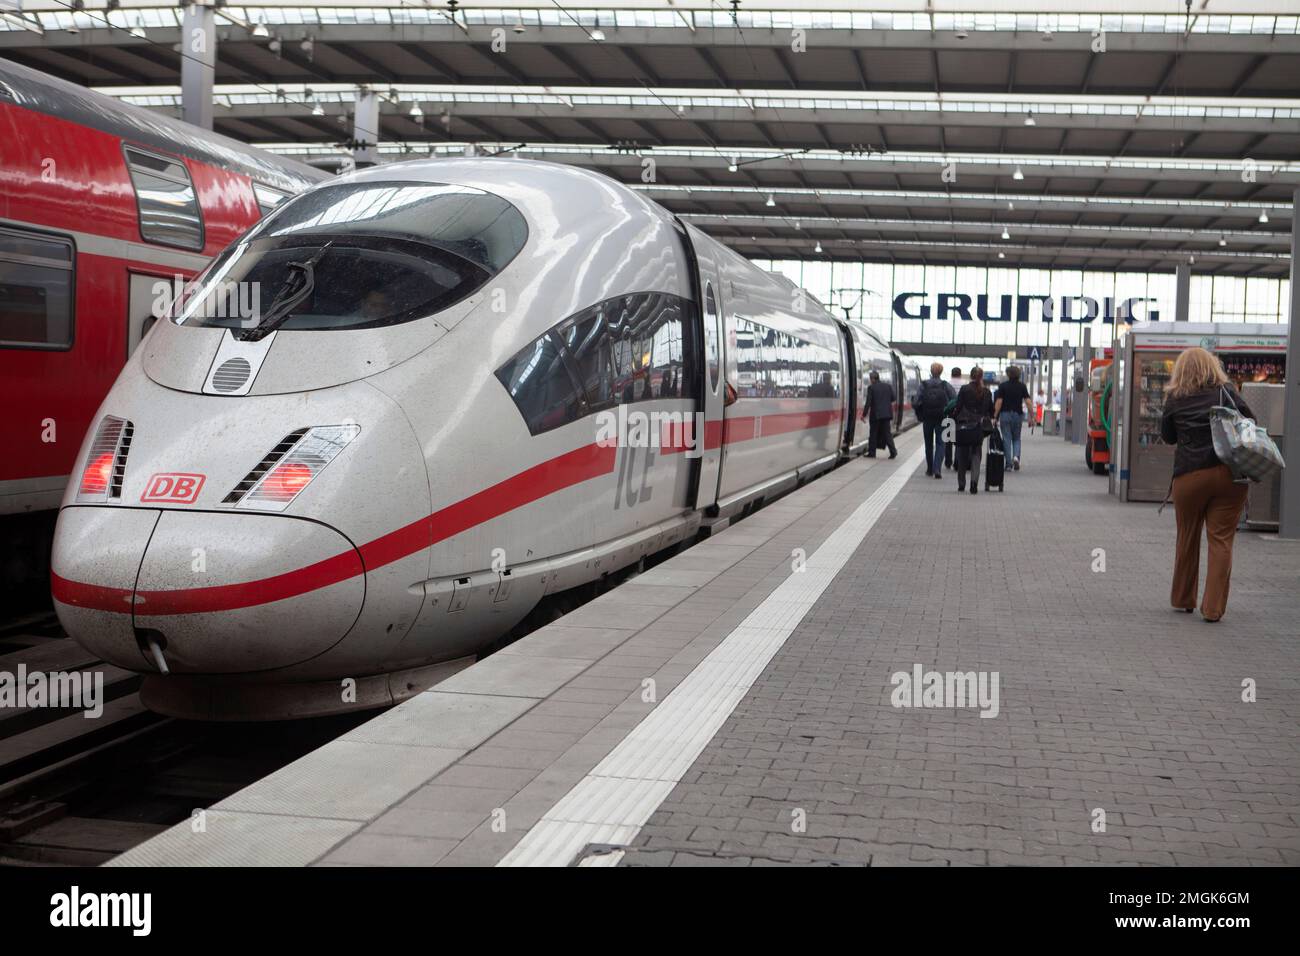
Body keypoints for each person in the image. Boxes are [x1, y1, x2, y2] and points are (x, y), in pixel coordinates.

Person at [1159, 347, 1256, 623]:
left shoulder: (1175, 397)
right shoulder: (1226, 391)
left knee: (1187, 537)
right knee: (1221, 540)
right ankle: (1212, 609)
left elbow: (1167, 437)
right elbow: (1251, 423)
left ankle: (1182, 599)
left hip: (1190, 476)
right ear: (1213, 366)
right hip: (1230, 474)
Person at [952, 365, 994, 494]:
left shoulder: (964, 389)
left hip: (964, 426)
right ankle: (974, 483)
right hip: (978, 428)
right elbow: (991, 411)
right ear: (981, 377)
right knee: (976, 454)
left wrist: (952, 418)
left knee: (962, 454)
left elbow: (958, 407)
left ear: (971, 376)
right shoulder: (987, 392)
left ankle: (961, 484)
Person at [914, 362, 955, 479]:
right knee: (940, 443)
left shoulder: (924, 385)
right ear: (941, 372)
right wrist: (947, 409)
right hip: (941, 418)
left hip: (927, 418)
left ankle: (929, 469)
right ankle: (937, 469)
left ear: (931, 372)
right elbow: (954, 399)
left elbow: (916, 401)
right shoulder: (945, 385)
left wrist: (920, 411)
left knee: (928, 444)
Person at [993, 365, 1034, 471]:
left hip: (1005, 414)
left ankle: (1008, 464)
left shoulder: (1003, 386)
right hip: (1017, 415)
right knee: (1016, 438)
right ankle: (1016, 457)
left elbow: (999, 402)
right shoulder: (1022, 386)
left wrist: (994, 416)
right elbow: (1028, 402)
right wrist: (1032, 416)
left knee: (1006, 439)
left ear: (1008, 374)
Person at [863, 370, 897, 459]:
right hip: (886, 414)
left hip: (875, 415)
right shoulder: (888, 386)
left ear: (873, 379)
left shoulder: (871, 388)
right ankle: (893, 452)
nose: (870, 381)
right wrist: (885, 402)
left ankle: (872, 453)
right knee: (887, 434)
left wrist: (864, 415)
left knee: (873, 434)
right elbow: (893, 398)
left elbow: (868, 403)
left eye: (871, 379)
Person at [944, 367, 963, 470]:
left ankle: (948, 462)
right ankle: (957, 461)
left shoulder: (947, 384)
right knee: (959, 439)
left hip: (949, 414)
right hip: (960, 415)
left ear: (951, 374)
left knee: (948, 439)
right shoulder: (964, 384)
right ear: (960, 374)